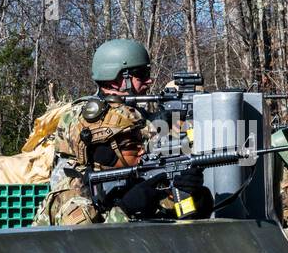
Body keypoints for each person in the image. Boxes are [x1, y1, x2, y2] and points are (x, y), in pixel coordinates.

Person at [34, 102, 211, 226]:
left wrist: (190, 197)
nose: (142, 150)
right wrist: (125, 210)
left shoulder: (128, 180)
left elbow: (174, 218)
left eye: (141, 143)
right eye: (132, 146)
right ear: (104, 153)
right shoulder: (74, 195)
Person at [49, 38, 155, 190]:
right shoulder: (82, 117)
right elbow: (65, 180)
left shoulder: (137, 113)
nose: (149, 80)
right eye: (141, 74)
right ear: (115, 80)